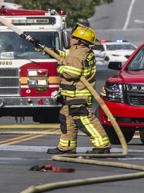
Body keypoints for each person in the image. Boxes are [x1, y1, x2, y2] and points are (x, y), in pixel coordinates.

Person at [45, 25, 112, 156]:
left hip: (77, 94)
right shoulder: (80, 51)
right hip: (69, 94)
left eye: (73, 37)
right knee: (67, 119)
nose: (70, 39)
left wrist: (60, 68)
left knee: (85, 120)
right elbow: (67, 56)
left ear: (79, 40)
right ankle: (67, 146)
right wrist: (50, 51)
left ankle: (102, 145)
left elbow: (73, 73)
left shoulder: (78, 53)